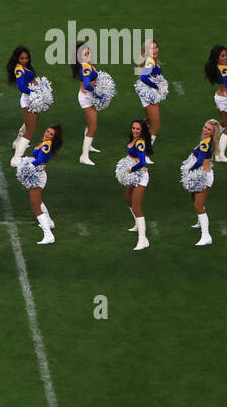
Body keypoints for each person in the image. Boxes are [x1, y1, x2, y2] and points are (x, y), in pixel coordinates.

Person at [14, 124, 63, 245]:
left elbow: (40, 160)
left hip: (38, 176)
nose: (47, 134)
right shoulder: (45, 143)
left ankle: (48, 235)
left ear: (53, 138)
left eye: (51, 134)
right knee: (38, 201)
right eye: (47, 131)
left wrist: (29, 165)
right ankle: (49, 222)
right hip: (39, 174)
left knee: (35, 206)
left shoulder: (47, 144)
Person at [7, 45, 52, 166]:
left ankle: (17, 142)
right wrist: (36, 92)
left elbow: (32, 79)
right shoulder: (19, 69)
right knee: (30, 130)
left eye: (26, 58)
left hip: (33, 98)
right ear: (17, 58)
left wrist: (41, 86)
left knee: (33, 120)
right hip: (29, 100)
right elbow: (21, 87)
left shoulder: (25, 66)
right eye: (22, 58)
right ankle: (16, 158)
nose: (24, 60)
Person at [72, 42, 115, 165]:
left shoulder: (89, 65)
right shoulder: (85, 66)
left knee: (91, 123)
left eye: (89, 51)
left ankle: (88, 146)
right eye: (85, 53)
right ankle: (84, 156)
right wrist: (98, 93)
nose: (89, 54)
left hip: (89, 96)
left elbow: (90, 81)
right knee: (93, 127)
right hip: (87, 98)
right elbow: (86, 85)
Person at [181, 119, 222, 247]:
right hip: (201, 173)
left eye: (209, 129)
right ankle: (200, 221)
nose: (205, 130)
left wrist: (189, 169)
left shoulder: (206, 143)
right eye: (205, 127)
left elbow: (199, 161)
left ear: (213, 133)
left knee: (199, 205)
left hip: (203, 176)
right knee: (193, 197)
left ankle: (206, 236)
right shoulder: (205, 140)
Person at [114, 119, 152, 250]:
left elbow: (142, 162)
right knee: (128, 200)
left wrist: (130, 170)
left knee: (136, 207)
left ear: (142, 131)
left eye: (138, 129)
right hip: (133, 175)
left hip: (140, 175)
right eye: (133, 128)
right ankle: (137, 224)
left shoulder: (140, 143)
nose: (135, 131)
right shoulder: (134, 140)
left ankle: (143, 240)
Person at [134, 39, 168, 152]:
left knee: (149, 119)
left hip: (149, 92)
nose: (155, 50)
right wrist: (156, 87)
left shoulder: (153, 60)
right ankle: (145, 152)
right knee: (155, 126)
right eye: (151, 48)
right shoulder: (150, 61)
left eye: (156, 47)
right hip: (149, 94)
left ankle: (136, 131)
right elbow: (144, 78)